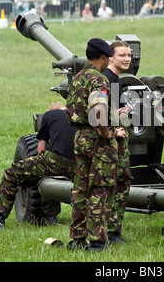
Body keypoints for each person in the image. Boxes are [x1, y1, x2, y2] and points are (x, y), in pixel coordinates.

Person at [0, 102, 76, 231]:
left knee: (11, 174)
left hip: (53, 162)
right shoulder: (77, 116)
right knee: (49, 175)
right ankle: (51, 219)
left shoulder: (49, 115)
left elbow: (40, 148)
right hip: (76, 167)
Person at [65, 38, 118, 252]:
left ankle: (78, 238)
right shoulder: (99, 79)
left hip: (80, 137)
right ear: (104, 57)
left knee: (80, 188)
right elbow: (98, 109)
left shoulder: (78, 78)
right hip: (97, 140)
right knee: (100, 189)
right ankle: (97, 241)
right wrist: (105, 132)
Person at [102, 41, 132, 244]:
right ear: (110, 57)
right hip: (110, 142)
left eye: (129, 55)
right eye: (122, 55)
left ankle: (113, 232)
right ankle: (111, 233)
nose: (127, 59)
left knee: (121, 184)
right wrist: (114, 129)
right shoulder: (107, 79)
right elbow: (98, 112)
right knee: (116, 186)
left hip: (116, 139)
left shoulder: (116, 80)